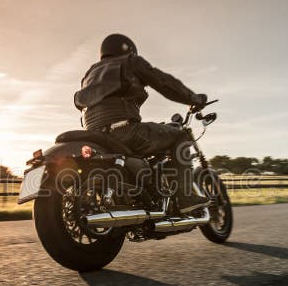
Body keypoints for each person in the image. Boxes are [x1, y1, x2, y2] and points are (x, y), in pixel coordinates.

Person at [73, 33, 209, 214]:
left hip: (96, 135)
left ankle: (147, 192)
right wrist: (194, 98)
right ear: (129, 49)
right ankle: (185, 197)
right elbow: (164, 83)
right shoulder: (130, 61)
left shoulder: (90, 74)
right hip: (125, 131)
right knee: (181, 136)